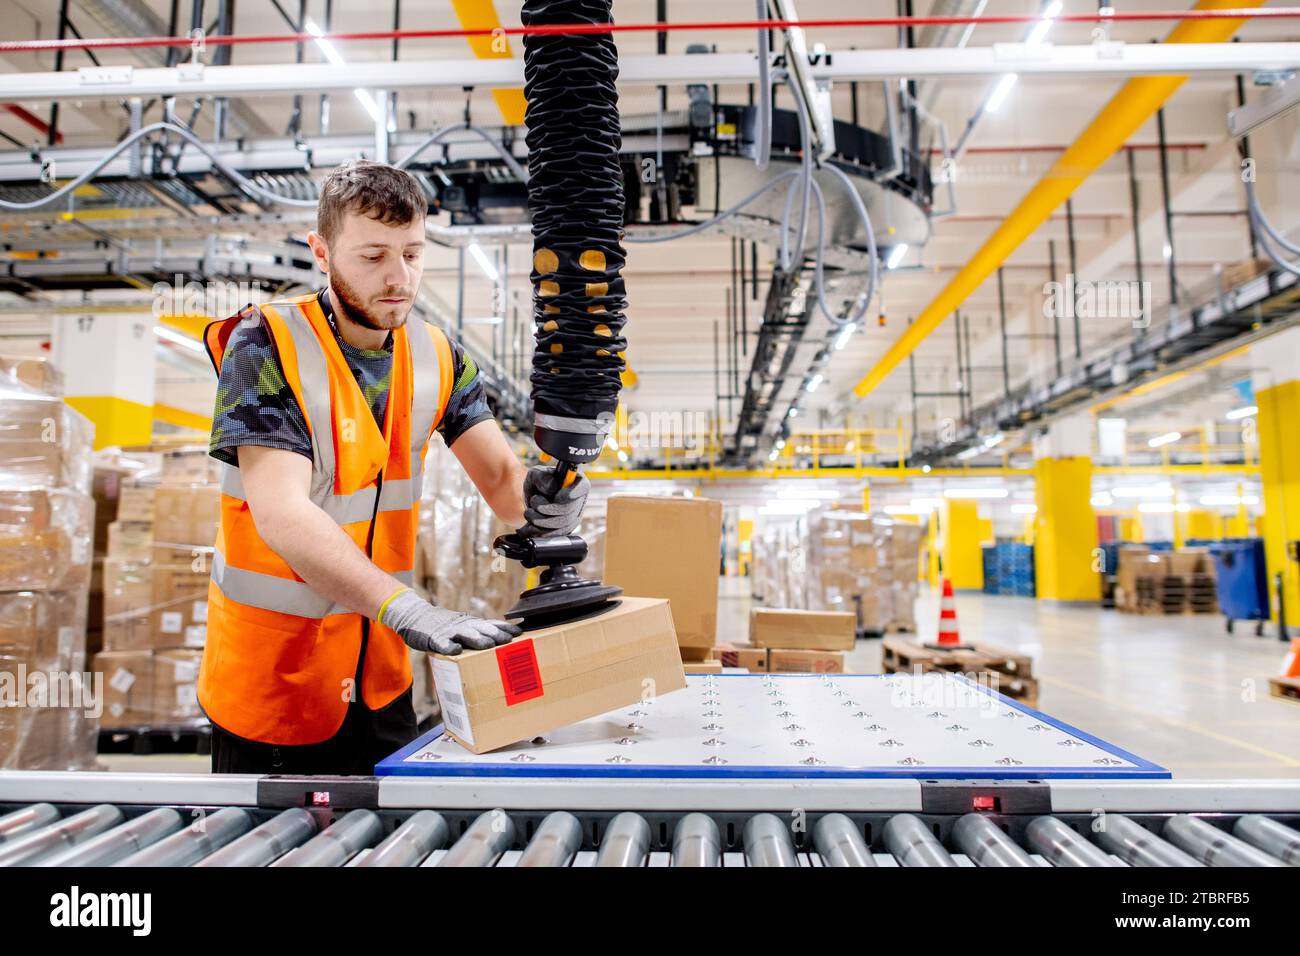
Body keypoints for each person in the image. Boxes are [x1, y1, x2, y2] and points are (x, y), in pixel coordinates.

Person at [200, 159, 587, 774]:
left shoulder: (436, 355)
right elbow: (281, 513)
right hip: (276, 678)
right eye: (372, 256)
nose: (398, 277)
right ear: (321, 253)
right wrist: (409, 608)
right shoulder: (266, 342)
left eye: (412, 254)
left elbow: (503, 484)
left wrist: (551, 499)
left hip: (382, 672)